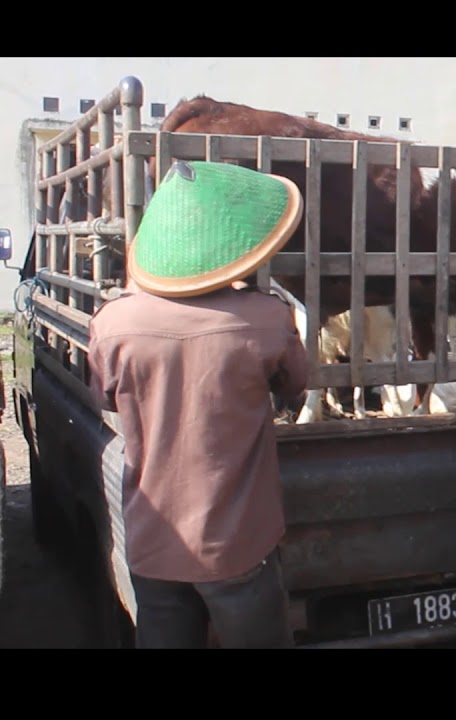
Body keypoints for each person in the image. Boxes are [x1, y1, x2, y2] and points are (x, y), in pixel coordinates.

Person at [88, 159, 310, 649]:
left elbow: (103, 396)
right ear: (232, 248)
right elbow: (297, 384)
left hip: (153, 541)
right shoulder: (266, 318)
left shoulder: (112, 322)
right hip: (238, 544)